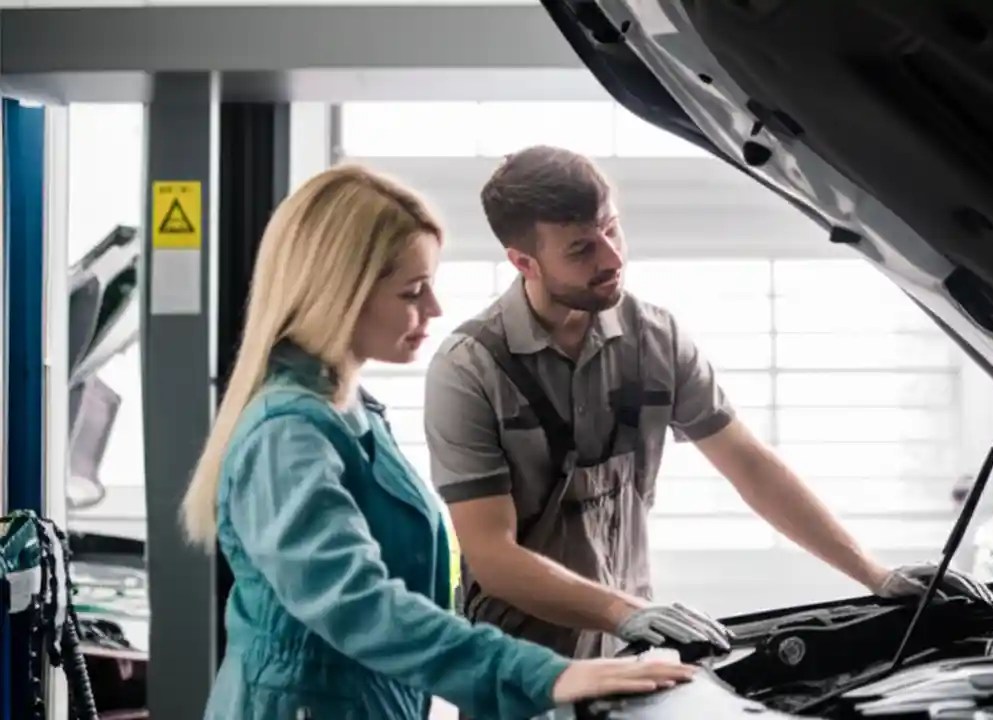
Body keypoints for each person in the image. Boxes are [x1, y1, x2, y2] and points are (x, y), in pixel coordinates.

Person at [177, 164, 695, 720]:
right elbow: (360, 604)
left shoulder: (350, 411)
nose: (435, 309)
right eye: (413, 291)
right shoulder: (287, 434)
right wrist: (545, 673)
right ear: (339, 294)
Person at [422, 145, 977, 661]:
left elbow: (749, 464)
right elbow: (491, 555)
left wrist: (874, 574)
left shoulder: (655, 340)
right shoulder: (470, 369)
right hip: (516, 669)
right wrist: (624, 612)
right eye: (581, 249)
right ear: (524, 263)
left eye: (612, 229)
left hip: (630, 654)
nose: (612, 257)